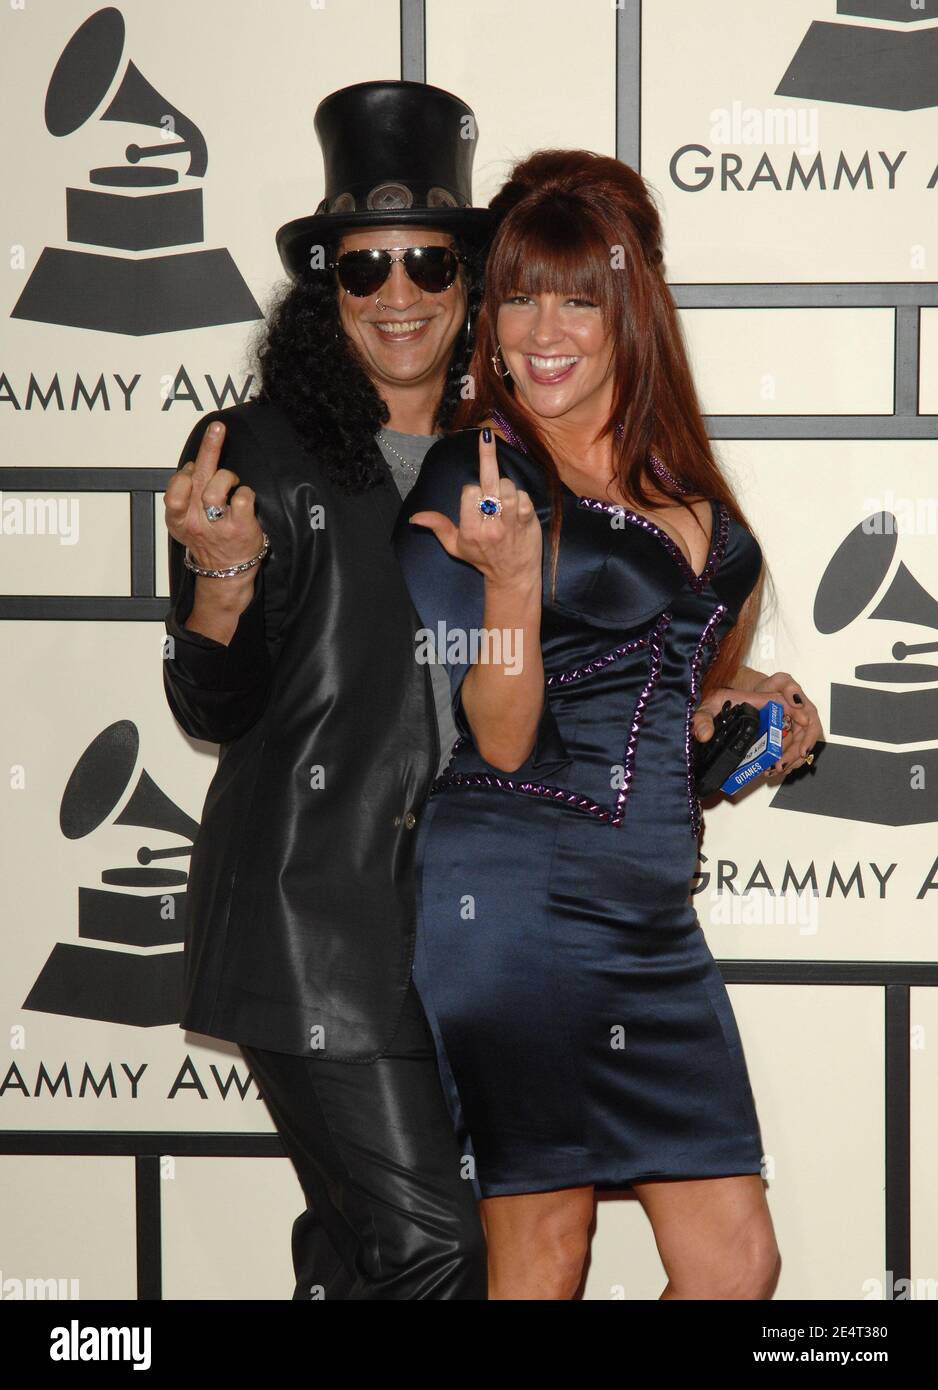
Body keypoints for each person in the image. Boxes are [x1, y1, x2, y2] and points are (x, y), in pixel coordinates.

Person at [393, 148, 824, 1300]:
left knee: (735, 1265)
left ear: (628, 309)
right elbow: (494, 730)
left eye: (577, 297)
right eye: (519, 294)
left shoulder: (673, 474)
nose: (543, 327)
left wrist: (745, 705)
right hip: (515, 892)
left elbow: (659, 695)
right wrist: (509, 583)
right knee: (544, 1254)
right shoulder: (476, 473)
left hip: (645, 908)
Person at [161, 80, 493, 1300]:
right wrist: (222, 579)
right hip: (310, 918)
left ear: (468, 281)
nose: (397, 296)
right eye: (363, 271)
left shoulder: (501, 456)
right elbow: (214, 704)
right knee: (435, 1251)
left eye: (426, 263)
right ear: (326, 288)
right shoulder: (251, 453)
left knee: (362, 1255)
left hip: (458, 928)